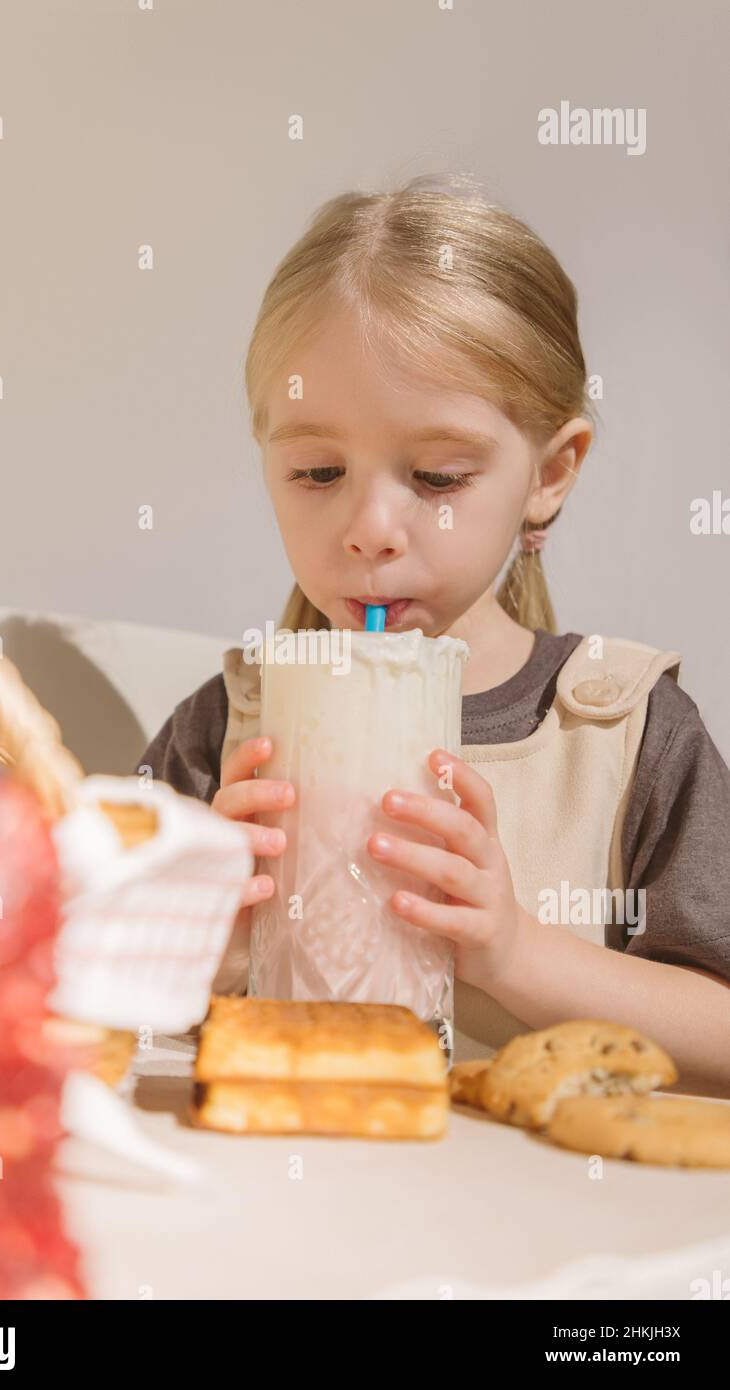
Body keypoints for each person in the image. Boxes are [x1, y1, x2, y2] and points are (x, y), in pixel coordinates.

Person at [135, 176, 730, 1097]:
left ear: (550, 475)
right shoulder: (226, 730)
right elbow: (84, 1005)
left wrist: (516, 952)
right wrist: (201, 953)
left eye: (440, 476)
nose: (371, 525)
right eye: (318, 469)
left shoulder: (624, 734)